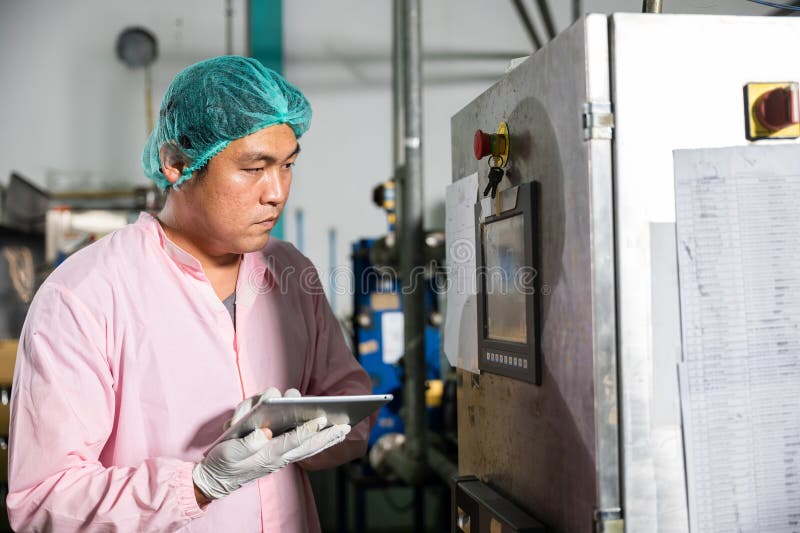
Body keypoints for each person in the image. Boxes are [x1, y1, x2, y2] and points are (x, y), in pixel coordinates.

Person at [6, 56, 374, 532]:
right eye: (253, 167)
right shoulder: (85, 295)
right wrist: (201, 483)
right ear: (176, 162)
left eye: (288, 165)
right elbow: (43, 502)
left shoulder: (291, 273)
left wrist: (308, 431)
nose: (277, 192)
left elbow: (349, 396)